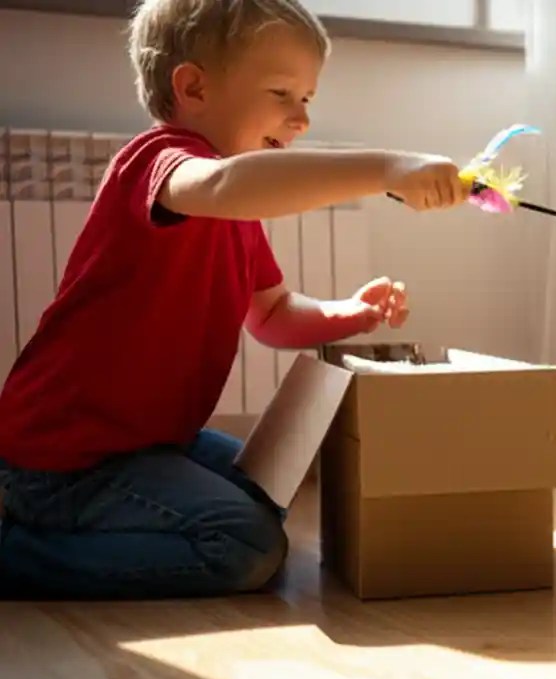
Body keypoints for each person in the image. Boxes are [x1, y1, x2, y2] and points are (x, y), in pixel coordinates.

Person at [0, 0, 467, 599]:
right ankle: (16, 550)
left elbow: (271, 315)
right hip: (67, 455)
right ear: (194, 87)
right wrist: (387, 167)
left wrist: (350, 312)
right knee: (245, 546)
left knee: (269, 487)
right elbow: (223, 185)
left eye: (307, 100)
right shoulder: (159, 162)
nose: (300, 120)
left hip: (150, 438)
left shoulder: (236, 210)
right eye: (282, 94)